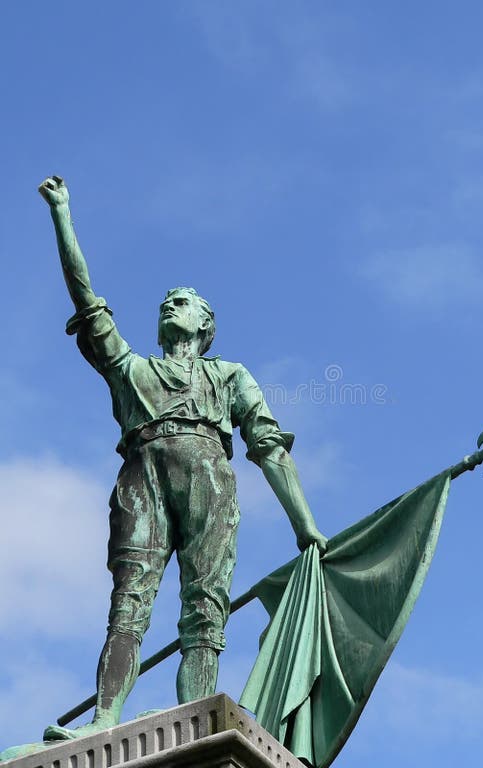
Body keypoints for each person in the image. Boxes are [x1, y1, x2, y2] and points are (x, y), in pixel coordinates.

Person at [38, 175, 328, 740]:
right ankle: (103, 720)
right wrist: (62, 215)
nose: (171, 303)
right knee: (129, 602)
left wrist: (306, 528)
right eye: (167, 301)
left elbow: (269, 449)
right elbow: (86, 299)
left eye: (185, 301)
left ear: (205, 324)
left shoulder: (229, 378)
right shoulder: (132, 371)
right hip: (142, 478)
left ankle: (194, 721)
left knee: (205, 606)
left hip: (210, 483)